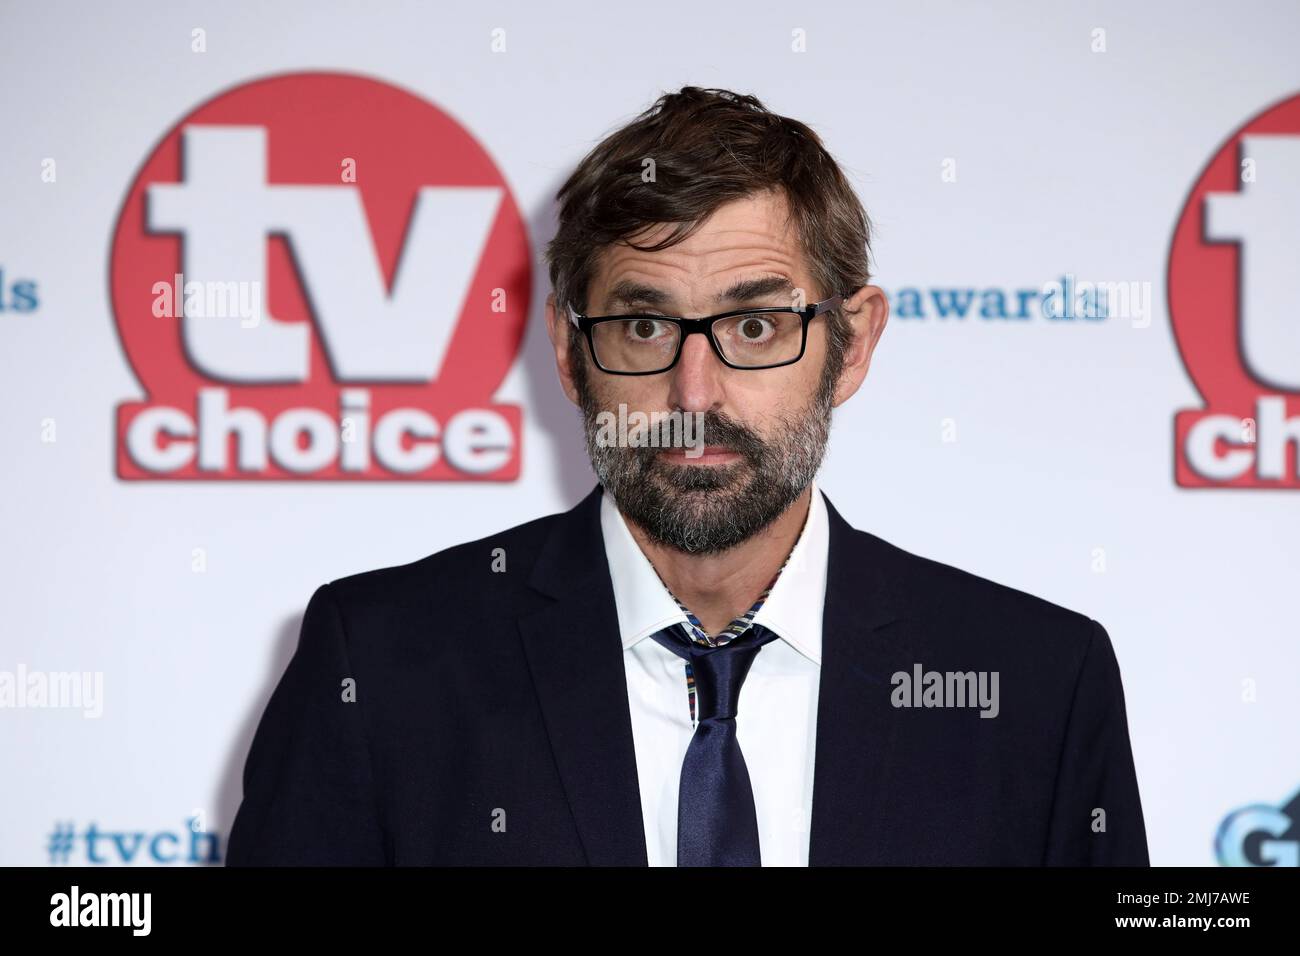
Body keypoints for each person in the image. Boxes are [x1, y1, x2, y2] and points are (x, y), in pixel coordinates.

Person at [226, 86, 1148, 866]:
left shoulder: (1037, 682)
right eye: (644, 326)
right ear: (565, 347)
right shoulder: (382, 664)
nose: (692, 392)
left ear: (854, 343)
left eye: (754, 326)